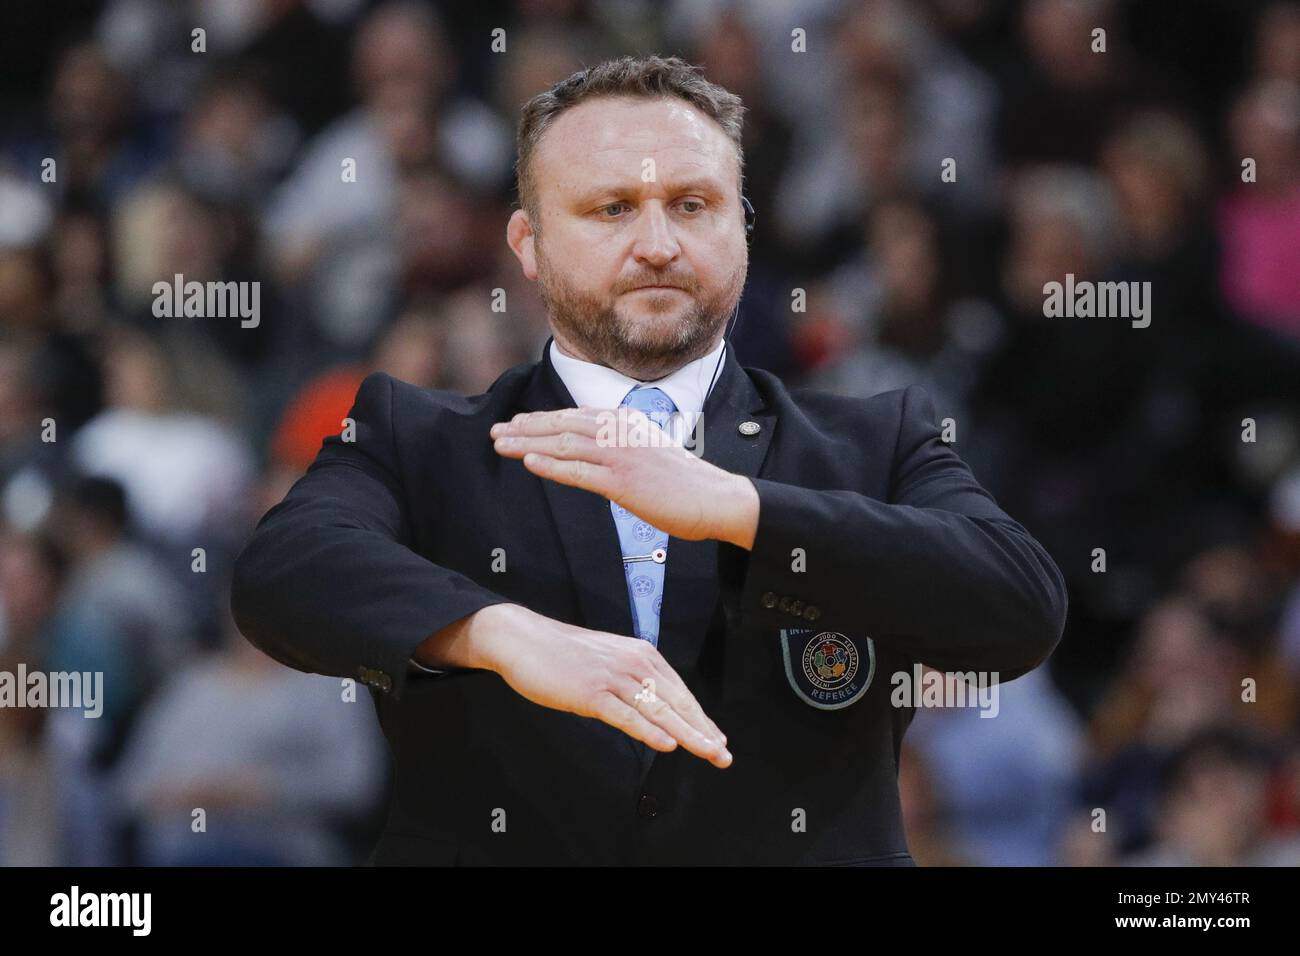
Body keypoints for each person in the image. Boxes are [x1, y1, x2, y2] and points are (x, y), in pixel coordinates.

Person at [230, 56, 1068, 865]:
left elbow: (1021, 603)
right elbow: (280, 572)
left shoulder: (875, 439)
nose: (658, 244)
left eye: (693, 204)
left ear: (741, 227)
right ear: (527, 243)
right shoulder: (415, 435)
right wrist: (499, 635)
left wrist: (740, 509)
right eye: (612, 209)